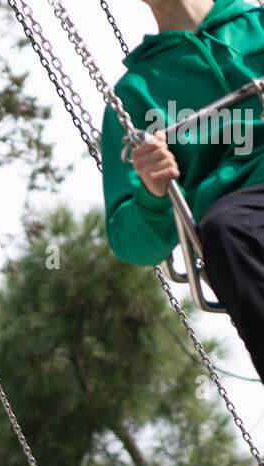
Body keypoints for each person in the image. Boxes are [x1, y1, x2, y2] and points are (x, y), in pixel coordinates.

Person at [102, 0, 264, 380]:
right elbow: (132, 243)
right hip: (242, 221)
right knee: (226, 228)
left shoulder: (257, 26)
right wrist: (152, 192)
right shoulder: (137, 95)